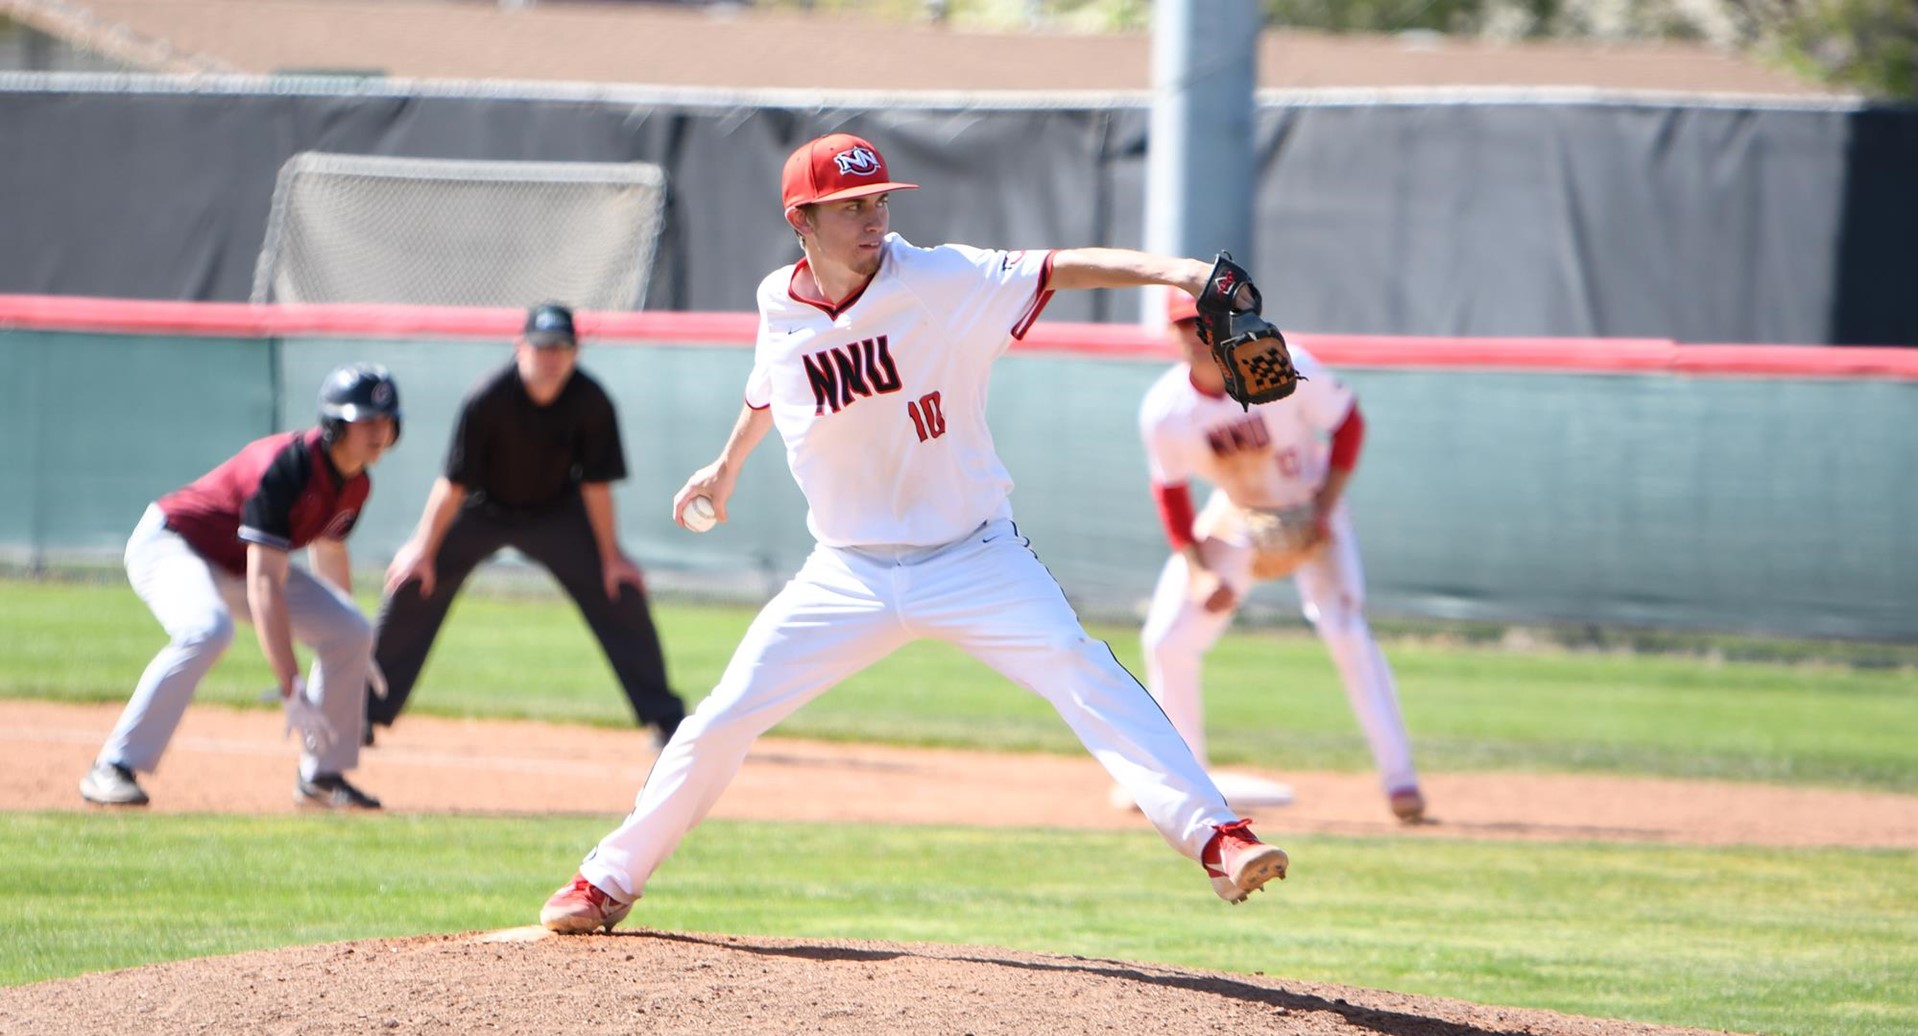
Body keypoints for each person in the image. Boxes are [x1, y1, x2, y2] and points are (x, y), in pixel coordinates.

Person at [538, 132, 1290, 933]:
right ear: (803, 217)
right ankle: (607, 878)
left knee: (1083, 668)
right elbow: (771, 386)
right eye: (853, 205)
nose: (874, 218)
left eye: (880, 201)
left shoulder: (938, 277)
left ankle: (1218, 836)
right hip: (846, 572)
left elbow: (1058, 266)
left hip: (973, 557)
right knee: (724, 715)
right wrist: (725, 467)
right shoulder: (777, 301)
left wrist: (1179, 273)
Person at [1137, 290, 1427, 823]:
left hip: (1312, 503)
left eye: (1205, 322)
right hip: (1239, 513)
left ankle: (1400, 779)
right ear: (1170, 334)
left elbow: (1349, 423)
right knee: (1167, 639)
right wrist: (1201, 574)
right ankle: (1185, 783)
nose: (1197, 335)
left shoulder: (1278, 360)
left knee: (1343, 628)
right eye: (1184, 324)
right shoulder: (1166, 411)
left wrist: (1324, 508)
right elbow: (1171, 494)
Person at [80, 365, 402, 810]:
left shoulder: (356, 484)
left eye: (384, 420)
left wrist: (351, 643)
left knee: (351, 629)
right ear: (334, 424)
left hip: (238, 564)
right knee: (207, 630)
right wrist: (290, 685)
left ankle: (321, 779)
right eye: (365, 420)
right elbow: (265, 583)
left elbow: (328, 552)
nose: (378, 431)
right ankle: (112, 767)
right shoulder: (286, 467)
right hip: (173, 544)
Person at [366, 302, 685, 747]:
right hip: (482, 508)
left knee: (620, 588)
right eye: (542, 347)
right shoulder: (489, 397)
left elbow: (595, 487)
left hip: (555, 512)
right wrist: (422, 548)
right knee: (414, 581)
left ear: (576, 352)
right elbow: (453, 484)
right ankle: (363, 711)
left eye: (562, 348)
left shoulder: (590, 401)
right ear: (520, 348)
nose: (551, 357)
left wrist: (612, 558)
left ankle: (667, 720)